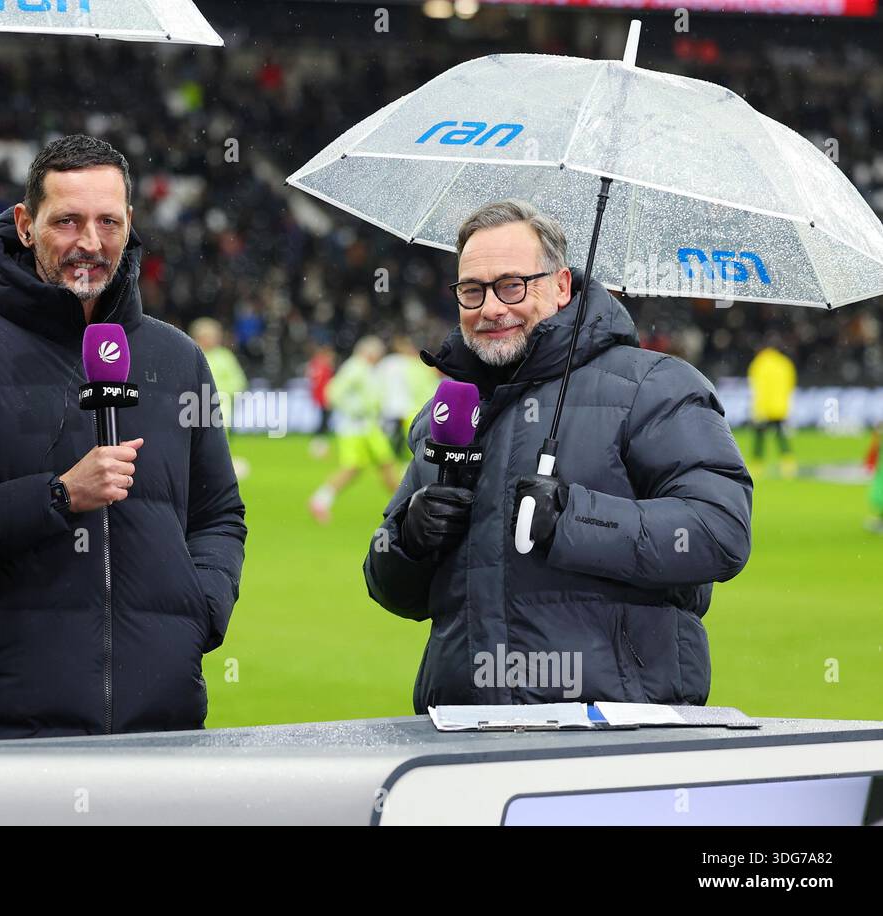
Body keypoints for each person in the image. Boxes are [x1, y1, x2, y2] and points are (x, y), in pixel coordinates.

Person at [0, 135, 247, 740]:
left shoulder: (178, 358)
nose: (90, 243)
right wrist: (55, 497)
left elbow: (220, 515)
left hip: (161, 728)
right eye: (67, 221)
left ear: (130, 222)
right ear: (25, 225)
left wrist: (201, 610)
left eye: (108, 221)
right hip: (3, 729)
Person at [364, 199, 753, 707]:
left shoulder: (654, 387)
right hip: (462, 737)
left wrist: (575, 519)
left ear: (562, 286)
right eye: (472, 290)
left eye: (512, 285)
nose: (490, 308)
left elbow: (719, 531)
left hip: (612, 735)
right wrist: (409, 541)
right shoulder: (449, 409)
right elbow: (391, 589)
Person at [309, 336, 401, 524]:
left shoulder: (361, 368)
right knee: (371, 466)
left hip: (367, 427)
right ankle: (404, 505)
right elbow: (332, 393)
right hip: (357, 428)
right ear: (370, 353)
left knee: (380, 465)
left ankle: (402, 505)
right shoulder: (355, 368)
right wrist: (355, 411)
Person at [190, 317, 250, 478]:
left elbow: (239, 382)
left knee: (218, 441)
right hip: (191, 404)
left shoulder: (225, 356)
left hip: (220, 406)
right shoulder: (190, 353)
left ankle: (217, 472)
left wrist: (217, 392)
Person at [747, 341, 797, 478]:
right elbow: (790, 385)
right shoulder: (785, 363)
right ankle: (788, 464)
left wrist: (758, 409)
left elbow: (758, 388)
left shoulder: (759, 364)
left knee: (759, 437)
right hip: (780, 407)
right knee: (780, 435)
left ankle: (757, 466)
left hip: (764, 408)